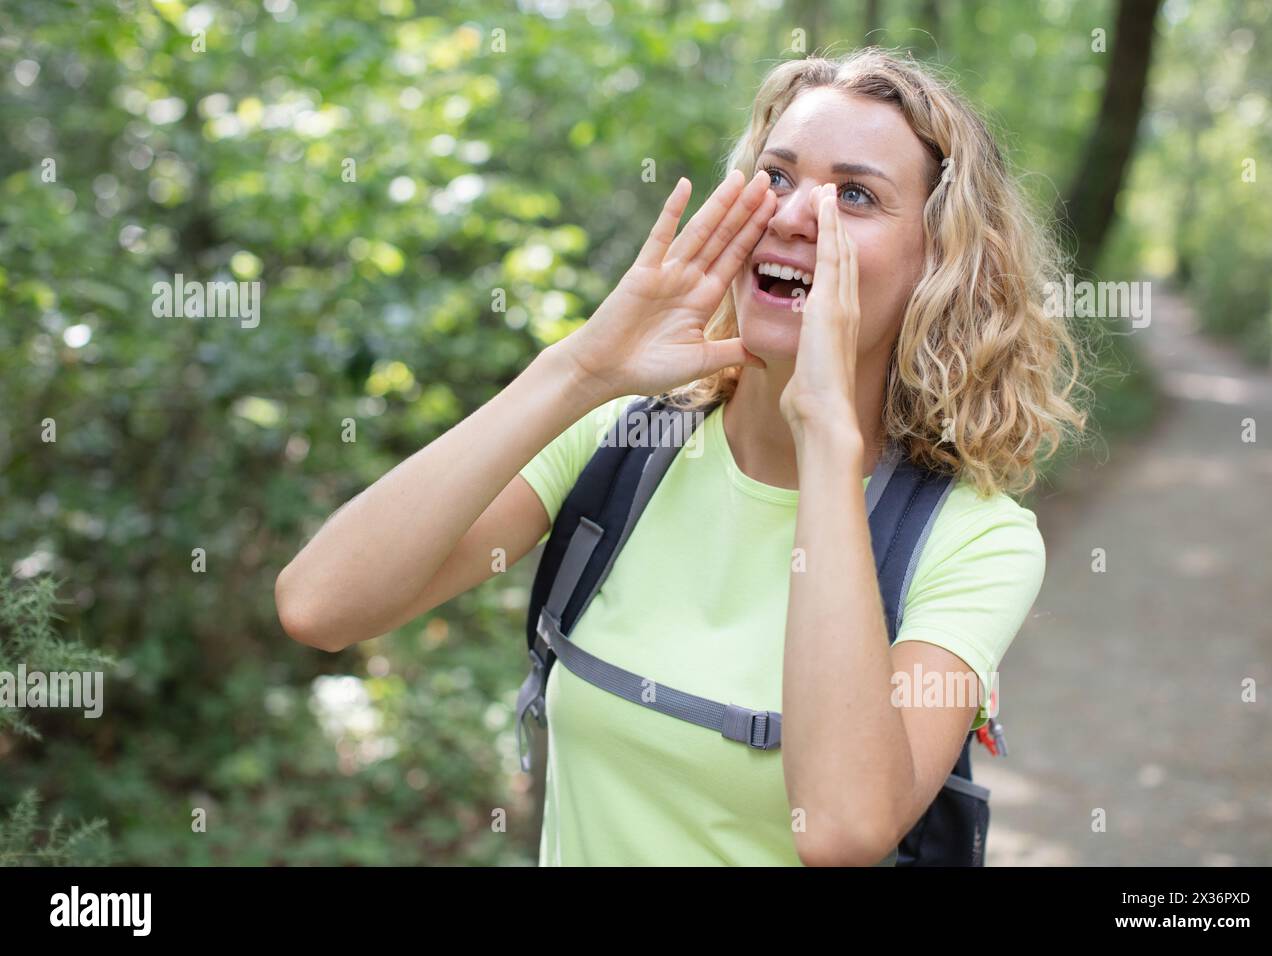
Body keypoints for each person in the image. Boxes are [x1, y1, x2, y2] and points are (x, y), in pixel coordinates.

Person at [275, 46, 1090, 866]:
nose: (794, 213)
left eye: (855, 194)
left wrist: (829, 443)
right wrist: (579, 369)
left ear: (939, 263)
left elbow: (843, 830)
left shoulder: (975, 542)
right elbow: (322, 606)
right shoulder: (626, 441)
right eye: (775, 176)